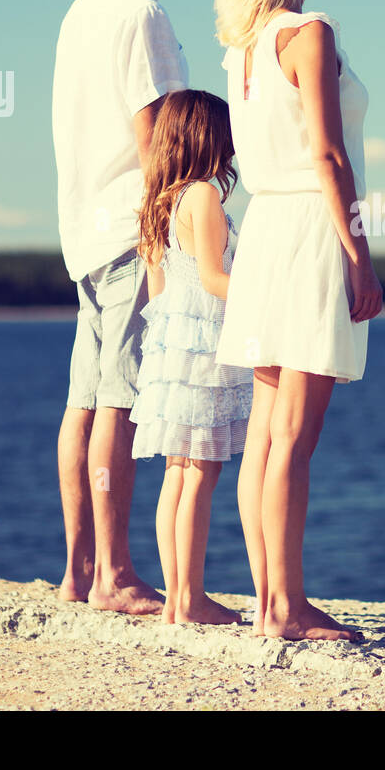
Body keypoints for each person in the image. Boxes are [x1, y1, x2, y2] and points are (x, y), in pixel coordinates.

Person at [213, 0, 384, 642]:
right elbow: (328, 154)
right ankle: (286, 607)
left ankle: (267, 601)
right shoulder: (309, 35)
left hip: (264, 233)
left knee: (265, 437)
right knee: (295, 440)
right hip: (311, 232)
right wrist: (360, 255)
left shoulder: (240, 52)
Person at [51, 0, 186, 614]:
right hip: (131, 229)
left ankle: (77, 573)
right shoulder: (141, 16)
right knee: (122, 400)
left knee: (84, 400)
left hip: (83, 230)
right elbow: (154, 135)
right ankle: (116, 577)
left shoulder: (79, 12)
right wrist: (172, 228)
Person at [129, 89, 252, 625]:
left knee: (177, 474)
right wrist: (265, 293)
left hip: (168, 351)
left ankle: (176, 598)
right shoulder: (202, 196)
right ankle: (191, 599)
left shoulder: (160, 201)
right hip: (203, 347)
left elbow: (158, 290)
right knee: (201, 472)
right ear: (208, 137)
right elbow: (213, 278)